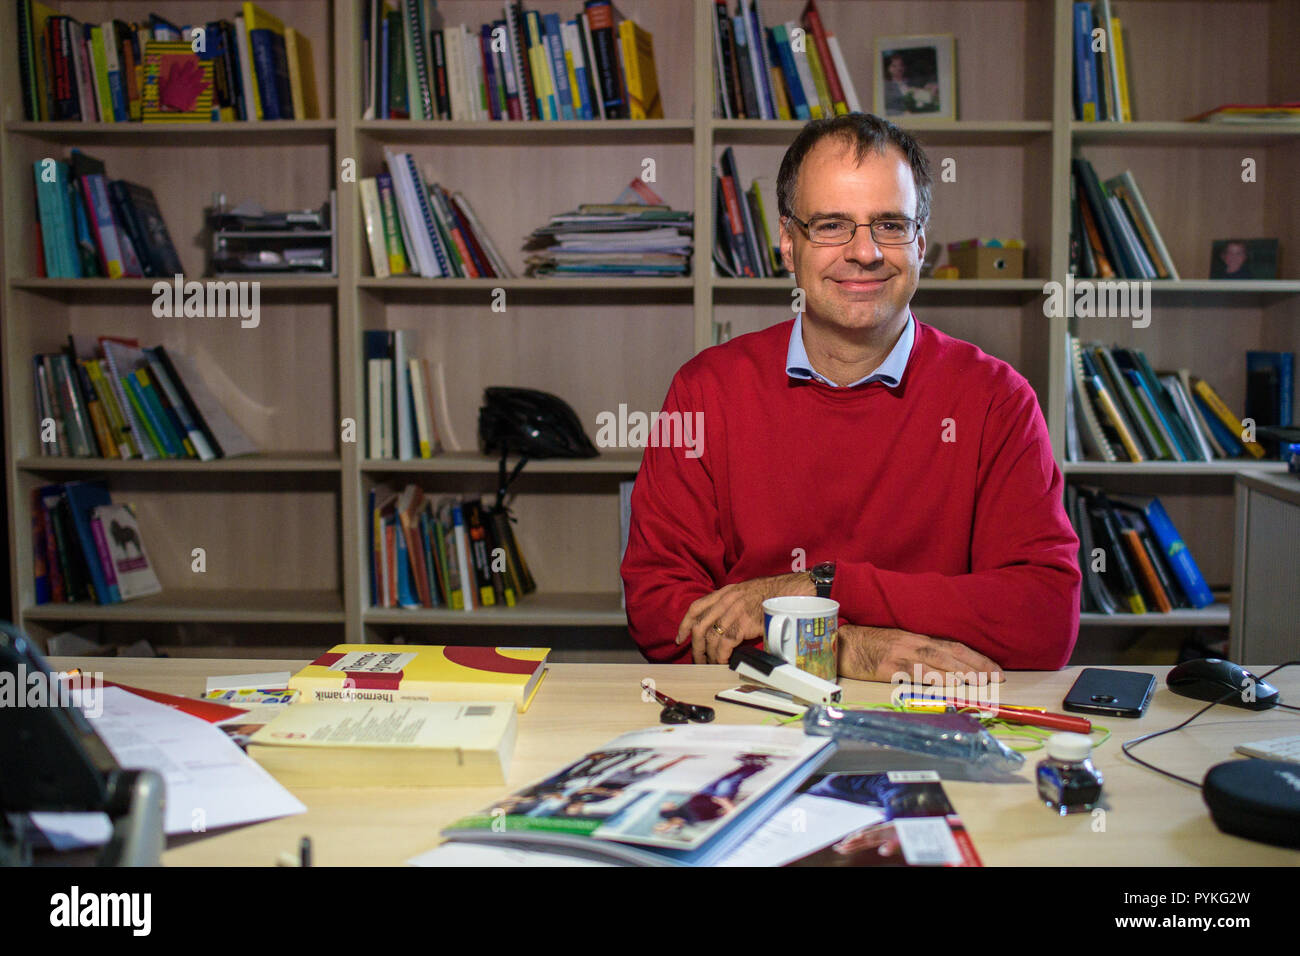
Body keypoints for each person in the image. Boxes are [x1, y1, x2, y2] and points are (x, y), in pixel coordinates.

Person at [620, 113, 1080, 681]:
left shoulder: (996, 400)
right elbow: (658, 614)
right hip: (751, 716)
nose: (864, 253)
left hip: (932, 720)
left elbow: (1043, 621)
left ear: (920, 241)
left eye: (889, 224)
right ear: (788, 243)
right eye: (833, 225)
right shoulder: (705, 390)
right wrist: (844, 648)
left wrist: (824, 585)